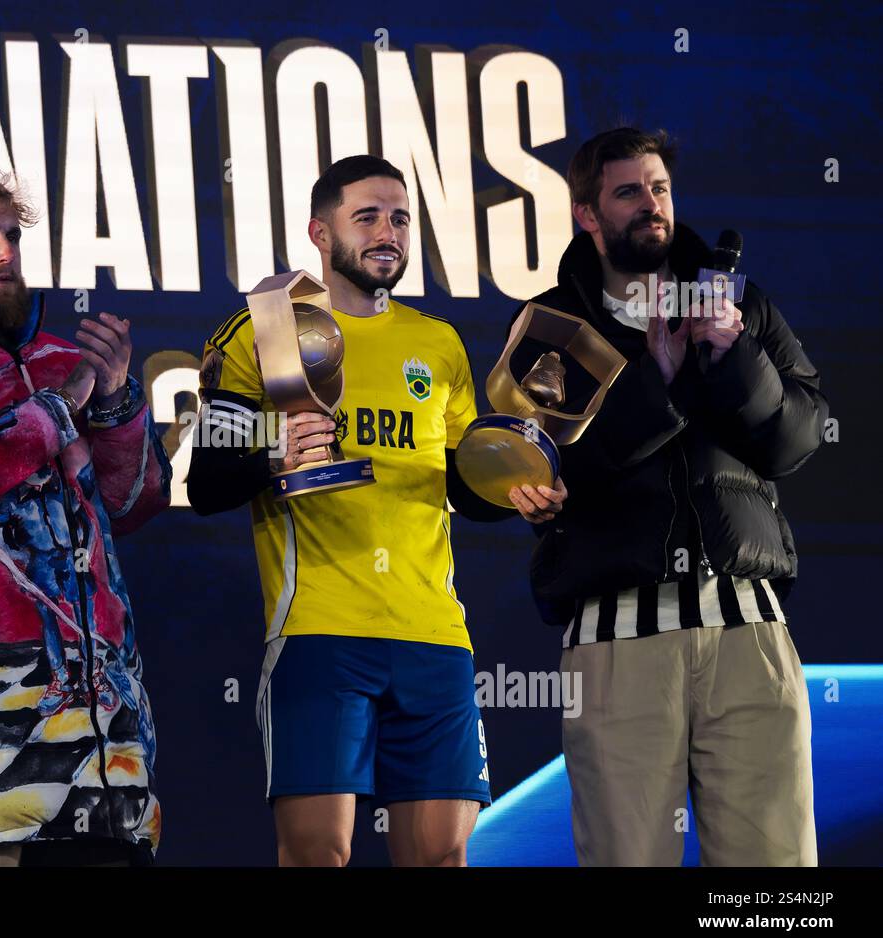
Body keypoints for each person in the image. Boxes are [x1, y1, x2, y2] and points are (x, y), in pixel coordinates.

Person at [188, 154, 565, 866]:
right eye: (367, 217)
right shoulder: (262, 334)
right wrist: (277, 456)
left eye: (399, 217)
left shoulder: (437, 343)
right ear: (320, 234)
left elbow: (459, 487)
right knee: (315, 857)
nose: (387, 231)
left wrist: (520, 495)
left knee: (440, 860)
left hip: (435, 637)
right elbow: (207, 482)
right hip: (319, 633)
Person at [518, 127, 826, 865]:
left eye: (659, 188)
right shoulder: (552, 327)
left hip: (749, 632)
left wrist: (732, 358)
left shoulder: (742, 307)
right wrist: (657, 382)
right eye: (628, 192)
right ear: (587, 214)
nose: (652, 206)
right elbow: (556, 470)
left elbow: (797, 441)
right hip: (617, 644)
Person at [0, 168, 171, 867]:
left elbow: (134, 504)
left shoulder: (61, 358)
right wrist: (60, 404)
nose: (4, 251)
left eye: (12, 235)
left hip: (100, 686)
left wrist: (111, 402)